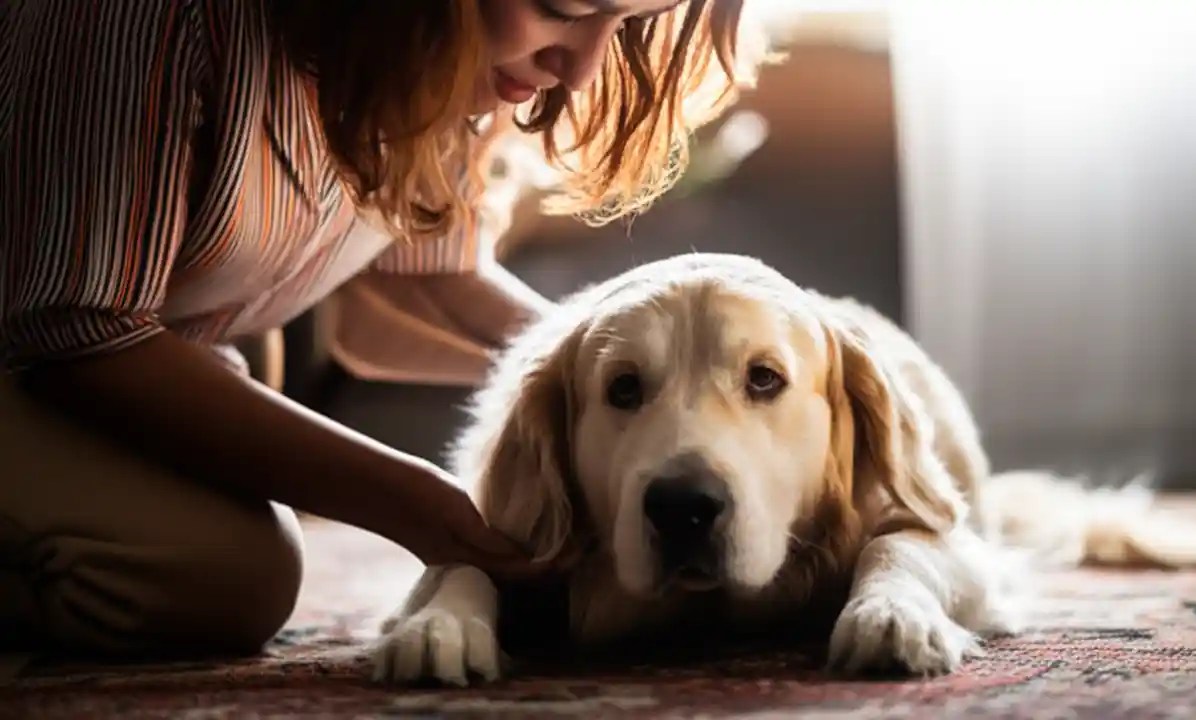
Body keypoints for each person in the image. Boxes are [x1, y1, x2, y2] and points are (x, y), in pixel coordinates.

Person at [0, 0, 762, 665]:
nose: (585, 70)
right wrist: (418, 506)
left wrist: (628, 369)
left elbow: (434, 262)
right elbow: (78, 323)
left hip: (164, 341)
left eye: (629, 24)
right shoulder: (155, 20)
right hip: (44, 353)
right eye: (562, 9)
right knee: (231, 576)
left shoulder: (423, 53)